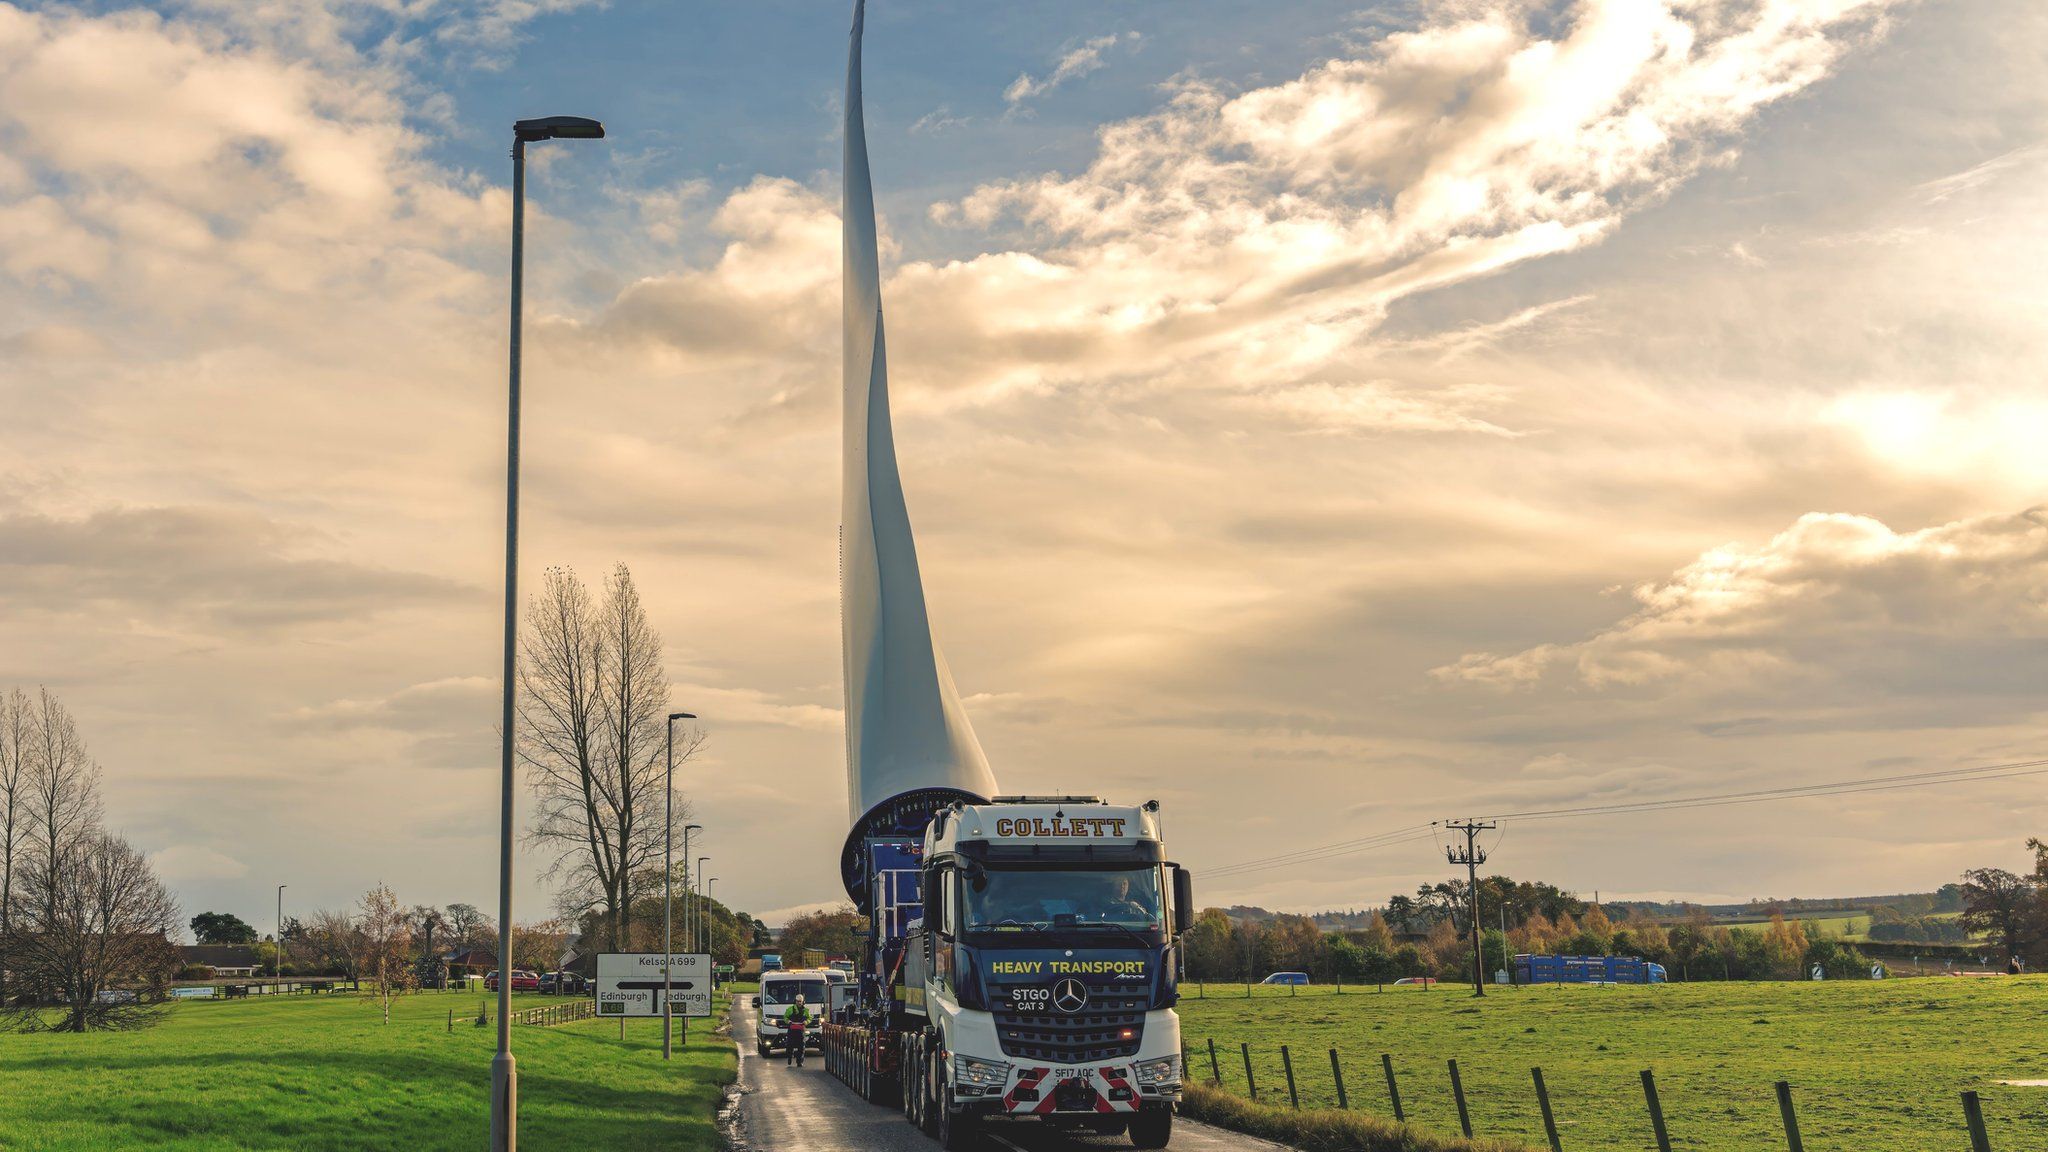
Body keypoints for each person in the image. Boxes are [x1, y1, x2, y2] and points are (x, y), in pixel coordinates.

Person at [782, 994, 812, 1067]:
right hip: (792, 1031)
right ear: (795, 1001)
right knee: (789, 1045)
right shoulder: (790, 1009)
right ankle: (789, 1057)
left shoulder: (806, 1010)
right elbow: (785, 1017)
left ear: (803, 1002)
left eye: (800, 1001)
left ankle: (799, 1062)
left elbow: (810, 1018)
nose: (799, 1003)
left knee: (801, 1047)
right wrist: (788, 1021)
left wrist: (806, 1022)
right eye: (798, 1001)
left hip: (801, 1031)